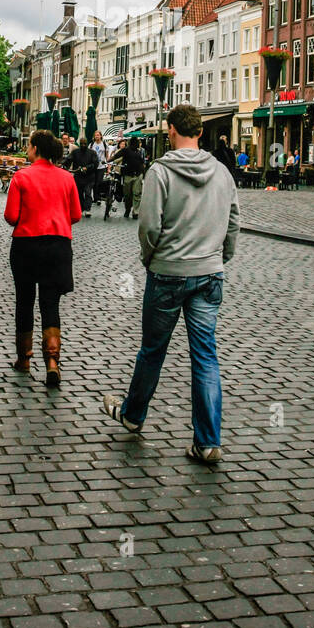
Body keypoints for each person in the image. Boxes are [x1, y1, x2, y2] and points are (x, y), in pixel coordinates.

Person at [102, 104, 240, 464]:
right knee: (205, 356)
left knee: (153, 349)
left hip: (168, 272)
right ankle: (208, 441)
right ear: (199, 132)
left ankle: (133, 415)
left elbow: (149, 225)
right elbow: (234, 221)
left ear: (172, 131)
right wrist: (220, 257)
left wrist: (151, 258)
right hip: (208, 274)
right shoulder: (222, 173)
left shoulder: (160, 172)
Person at [4, 129, 82, 386]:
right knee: (50, 304)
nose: (27, 150)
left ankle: (24, 358)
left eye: (28, 145)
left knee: (24, 302)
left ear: (36, 148)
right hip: (58, 246)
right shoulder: (67, 178)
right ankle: (52, 361)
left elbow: (11, 216)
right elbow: (76, 215)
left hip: (26, 245)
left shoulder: (21, 177)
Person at [112, 137, 145, 218]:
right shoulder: (126, 150)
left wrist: (143, 170)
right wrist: (108, 161)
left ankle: (135, 212)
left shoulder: (139, 151)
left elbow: (142, 162)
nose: (138, 144)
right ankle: (127, 209)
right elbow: (116, 156)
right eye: (137, 143)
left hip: (137, 174)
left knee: (137, 194)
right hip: (127, 175)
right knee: (127, 195)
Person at [69, 136, 98, 217]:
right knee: (79, 193)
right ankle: (81, 208)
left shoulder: (92, 152)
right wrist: (62, 164)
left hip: (89, 177)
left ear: (87, 143)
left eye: (84, 144)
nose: (83, 145)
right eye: (81, 144)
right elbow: (69, 159)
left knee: (88, 193)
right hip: (78, 176)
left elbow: (95, 164)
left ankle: (88, 209)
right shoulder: (75, 152)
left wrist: (87, 167)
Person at [91, 129, 108, 202]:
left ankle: (98, 198)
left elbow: (107, 155)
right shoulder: (91, 144)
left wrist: (108, 165)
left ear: (101, 136)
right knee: (94, 183)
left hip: (101, 166)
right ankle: (95, 198)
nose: (96, 136)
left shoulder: (104, 144)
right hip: (93, 166)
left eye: (98, 135)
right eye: (95, 135)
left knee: (99, 182)